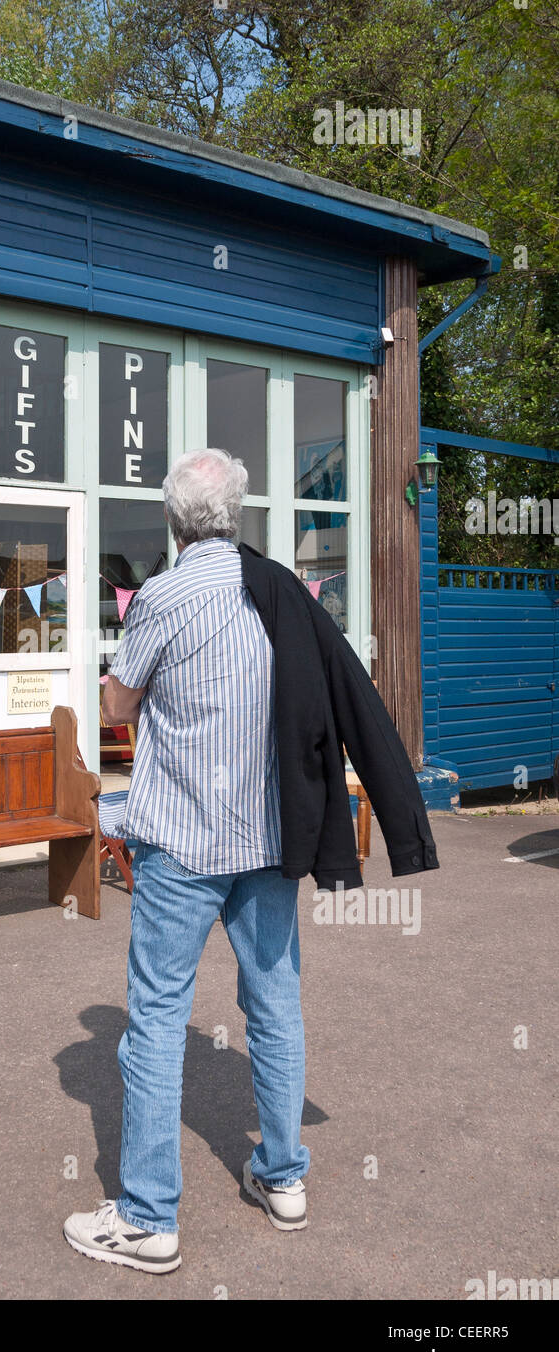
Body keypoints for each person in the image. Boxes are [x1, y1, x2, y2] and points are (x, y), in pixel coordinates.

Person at [64, 447, 439, 1275]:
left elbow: (119, 702)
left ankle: (148, 1219)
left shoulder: (159, 597)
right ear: (236, 516)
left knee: (158, 1017)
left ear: (173, 519)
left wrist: (128, 687)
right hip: (270, 841)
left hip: (182, 846)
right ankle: (283, 1178)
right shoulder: (281, 597)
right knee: (274, 1005)